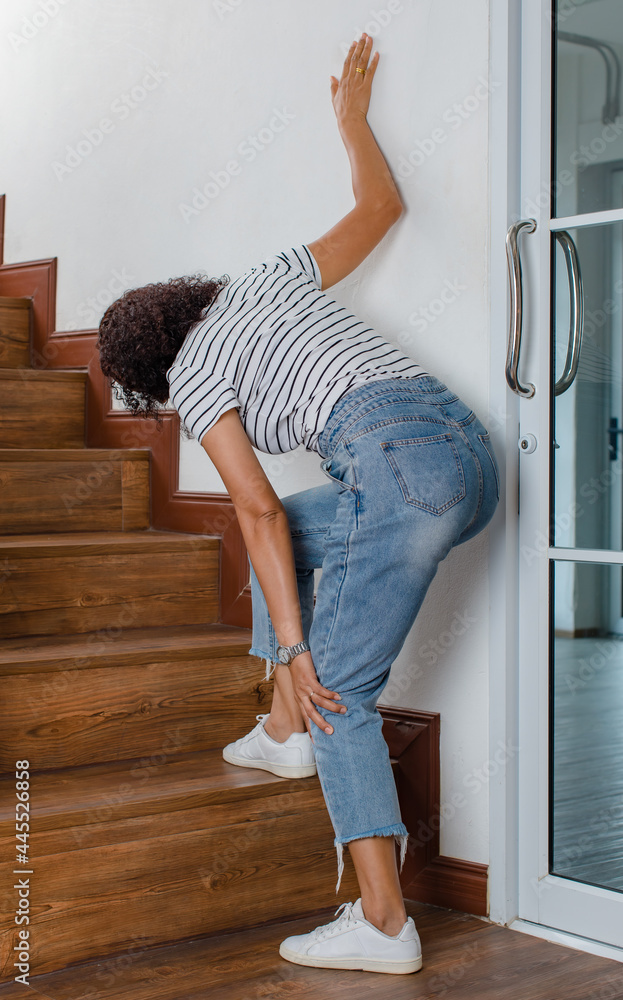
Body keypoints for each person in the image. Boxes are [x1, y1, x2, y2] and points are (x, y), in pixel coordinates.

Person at [97, 33, 500, 976]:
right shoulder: (263, 279)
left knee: (342, 698)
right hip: (467, 458)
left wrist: (290, 641)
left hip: (395, 466)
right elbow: (381, 206)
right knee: (307, 545)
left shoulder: (195, 373)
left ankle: (384, 922)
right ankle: (281, 730)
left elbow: (258, 510)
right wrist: (352, 124)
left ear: (150, 373)